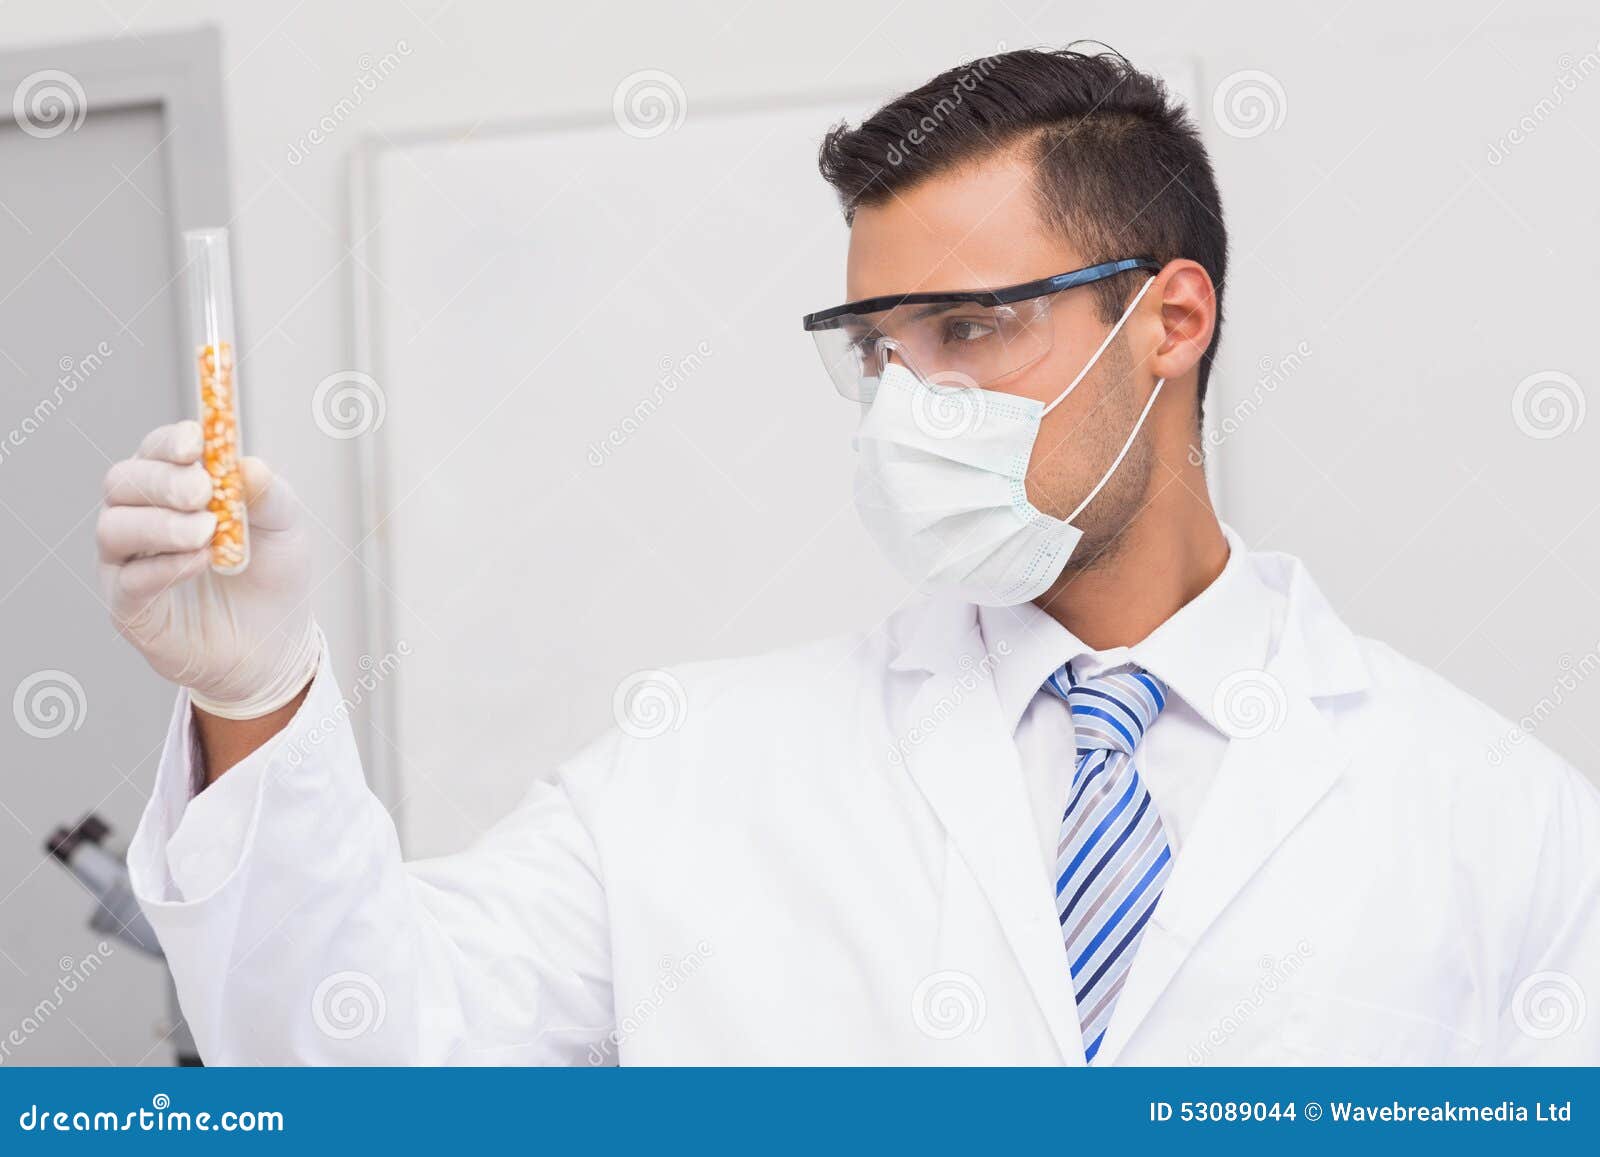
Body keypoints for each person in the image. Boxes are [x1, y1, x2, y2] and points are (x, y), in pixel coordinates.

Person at [100, 48, 1598, 1065]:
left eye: (970, 327)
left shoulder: (1497, 818)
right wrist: (261, 694)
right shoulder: (693, 769)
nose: (909, 406)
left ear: (1170, 322)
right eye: (878, 348)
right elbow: (361, 1061)